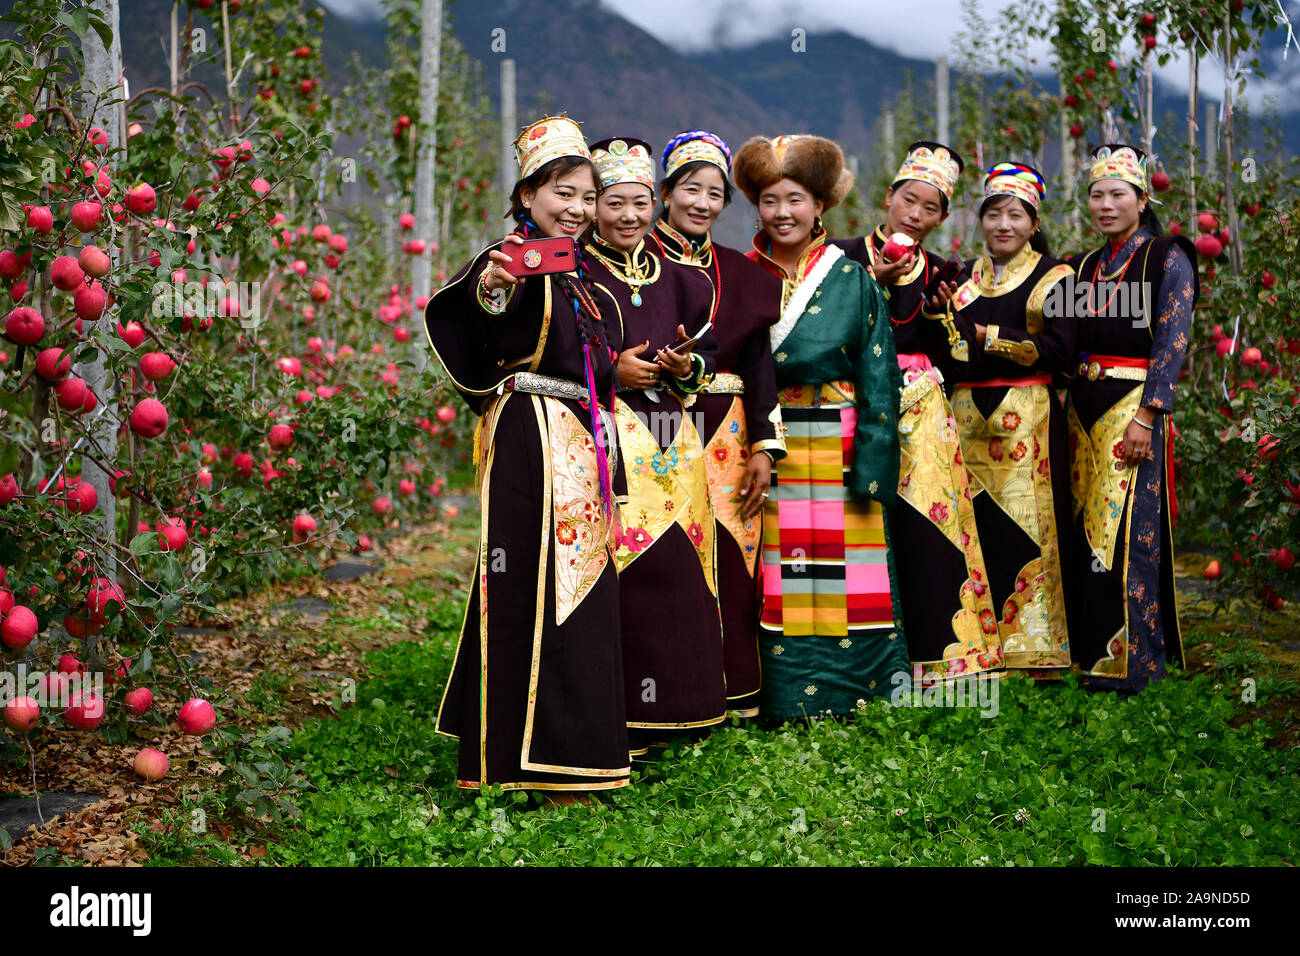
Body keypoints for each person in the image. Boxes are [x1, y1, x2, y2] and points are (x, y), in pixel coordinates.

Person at [423, 116, 630, 795]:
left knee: (576, 583)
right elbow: (487, 299)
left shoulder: (577, 274)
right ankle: (517, 760)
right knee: (530, 582)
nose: (576, 208)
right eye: (561, 194)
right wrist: (501, 279)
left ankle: (571, 748)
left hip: (575, 433)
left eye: (585, 196)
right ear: (528, 195)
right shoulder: (514, 257)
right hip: (531, 433)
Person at [733, 133, 910, 720]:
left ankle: (856, 691)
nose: (781, 213)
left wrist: (875, 462)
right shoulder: (735, 275)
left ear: (819, 205)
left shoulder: (852, 278)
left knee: (848, 573)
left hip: (837, 441)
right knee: (776, 572)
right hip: (762, 443)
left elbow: (879, 374)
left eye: (794, 199)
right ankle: (775, 695)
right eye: (768, 201)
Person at [836, 142, 1003, 681]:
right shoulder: (842, 256)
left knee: (923, 525)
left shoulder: (943, 272)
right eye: (909, 200)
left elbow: (954, 360)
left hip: (923, 415)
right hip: (856, 406)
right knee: (860, 526)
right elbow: (834, 332)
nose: (916, 214)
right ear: (889, 197)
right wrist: (874, 285)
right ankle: (862, 658)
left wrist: (940, 317)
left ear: (943, 217)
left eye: (931, 208)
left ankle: (935, 653)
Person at [583, 136, 726, 748]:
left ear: (654, 202)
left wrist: (681, 367)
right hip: (608, 440)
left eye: (639, 203)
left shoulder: (684, 280)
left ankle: (684, 711)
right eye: (614, 203)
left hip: (673, 439)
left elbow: (709, 358)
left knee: (680, 567)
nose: (629, 217)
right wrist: (615, 370)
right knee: (624, 569)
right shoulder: (575, 274)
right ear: (593, 207)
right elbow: (559, 351)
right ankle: (624, 718)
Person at [650, 129, 786, 717]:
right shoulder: (636, 265)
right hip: (655, 424)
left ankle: (737, 692)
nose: (702, 203)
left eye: (714, 193)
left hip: (729, 427)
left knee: (733, 553)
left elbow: (759, 365)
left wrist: (765, 445)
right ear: (665, 192)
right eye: (690, 189)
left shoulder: (745, 276)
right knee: (666, 551)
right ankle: (669, 693)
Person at [1063, 144, 1198, 692]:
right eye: (1096, 194)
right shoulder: (1085, 265)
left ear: (1141, 200)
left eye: (1118, 193)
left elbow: (1174, 339)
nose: (1105, 204)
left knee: (1131, 535)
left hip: (1132, 410)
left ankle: (1137, 666)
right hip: (1082, 412)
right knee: (1087, 535)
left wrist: (1148, 414)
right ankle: (1093, 657)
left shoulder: (1169, 256)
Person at [940, 162, 1077, 675]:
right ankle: (982, 646)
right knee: (976, 527)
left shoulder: (1056, 276)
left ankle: (1038, 650)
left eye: (1015, 215)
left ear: (1034, 223)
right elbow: (949, 349)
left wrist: (987, 338)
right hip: (966, 417)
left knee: (1031, 529)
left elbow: (1061, 349)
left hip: (1030, 419)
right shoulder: (960, 279)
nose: (1003, 224)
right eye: (994, 213)